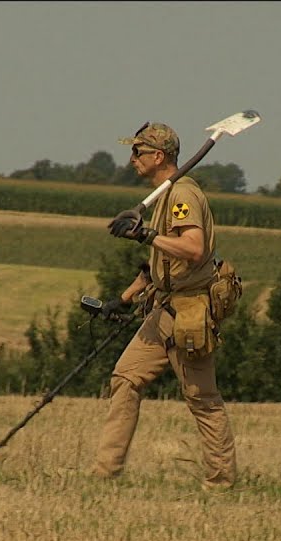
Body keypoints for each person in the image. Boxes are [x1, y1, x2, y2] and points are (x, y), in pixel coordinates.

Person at [91, 122, 238, 491]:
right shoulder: (164, 194)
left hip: (191, 313)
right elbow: (159, 268)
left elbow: (193, 250)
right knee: (125, 379)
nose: (132, 159)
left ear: (158, 156)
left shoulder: (182, 195)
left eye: (138, 152)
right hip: (164, 309)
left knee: (202, 399)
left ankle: (221, 484)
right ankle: (105, 474)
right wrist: (120, 300)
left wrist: (145, 235)